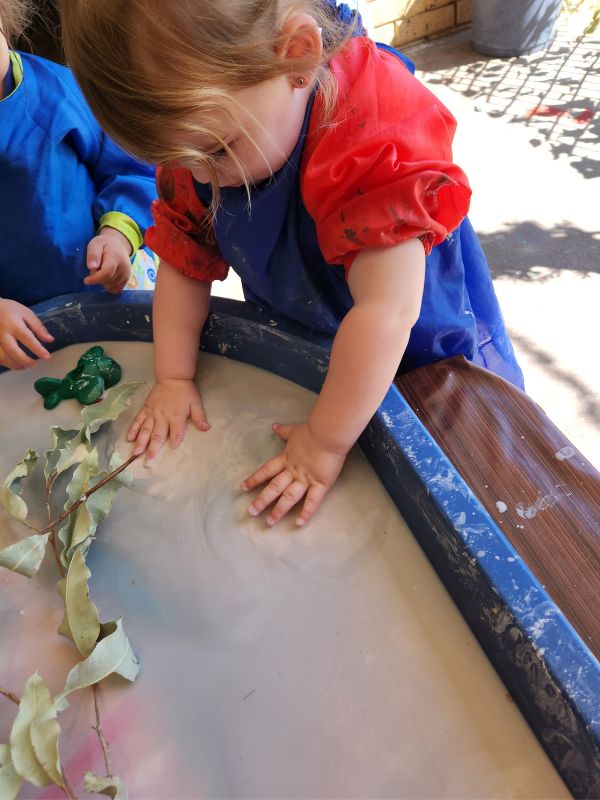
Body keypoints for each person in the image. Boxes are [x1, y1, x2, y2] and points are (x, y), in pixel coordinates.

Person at [60, 0, 524, 526]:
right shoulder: (216, 134)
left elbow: (388, 312)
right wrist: (172, 376)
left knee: (472, 479)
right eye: (181, 160)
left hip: (422, 349)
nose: (203, 181)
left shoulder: (371, 134)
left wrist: (324, 443)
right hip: (307, 315)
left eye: (215, 151)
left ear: (298, 58)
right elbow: (183, 260)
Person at [0, 0, 158, 371]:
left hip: (104, 281)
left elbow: (134, 168)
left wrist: (118, 233)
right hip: (12, 331)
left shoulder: (58, 95)